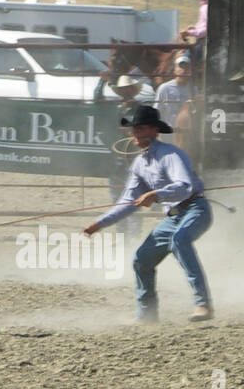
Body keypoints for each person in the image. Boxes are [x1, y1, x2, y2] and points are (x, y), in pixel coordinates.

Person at [85, 103, 214, 323]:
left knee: (179, 240)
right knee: (141, 259)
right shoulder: (139, 164)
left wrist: (156, 194)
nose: (137, 132)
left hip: (195, 208)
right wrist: (100, 223)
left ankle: (202, 303)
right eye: (135, 129)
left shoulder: (171, 155)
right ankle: (147, 315)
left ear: (155, 131)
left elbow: (185, 187)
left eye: (142, 128)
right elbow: (128, 201)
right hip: (173, 216)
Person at [155, 53, 193, 131]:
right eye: (181, 67)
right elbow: (156, 110)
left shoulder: (193, 89)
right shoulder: (164, 88)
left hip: (186, 132)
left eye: (186, 67)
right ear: (175, 70)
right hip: (168, 130)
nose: (184, 70)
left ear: (190, 70)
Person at [180, 0, 209, 73]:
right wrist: (194, 27)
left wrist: (189, 33)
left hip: (204, 41)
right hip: (202, 40)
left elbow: (206, 29)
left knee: (185, 58)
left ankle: (186, 76)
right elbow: (203, 24)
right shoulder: (204, 6)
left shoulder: (206, 7)